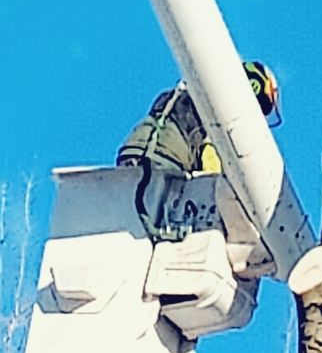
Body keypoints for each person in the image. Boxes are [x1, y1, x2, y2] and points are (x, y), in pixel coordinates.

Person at [117, 63, 280, 234]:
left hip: (135, 150)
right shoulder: (221, 115)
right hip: (166, 159)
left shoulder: (189, 93)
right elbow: (210, 157)